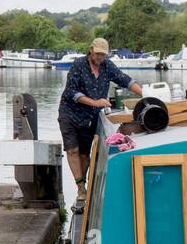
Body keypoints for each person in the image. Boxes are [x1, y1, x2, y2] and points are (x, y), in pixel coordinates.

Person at [58, 37, 143, 211]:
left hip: (90, 117)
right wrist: (95, 102)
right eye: (97, 54)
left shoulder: (107, 66)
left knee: (84, 154)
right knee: (72, 150)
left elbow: (124, 79)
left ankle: (84, 184)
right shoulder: (78, 65)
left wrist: (146, 94)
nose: (99, 57)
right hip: (70, 113)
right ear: (91, 50)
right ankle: (81, 189)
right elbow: (71, 91)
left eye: (103, 55)